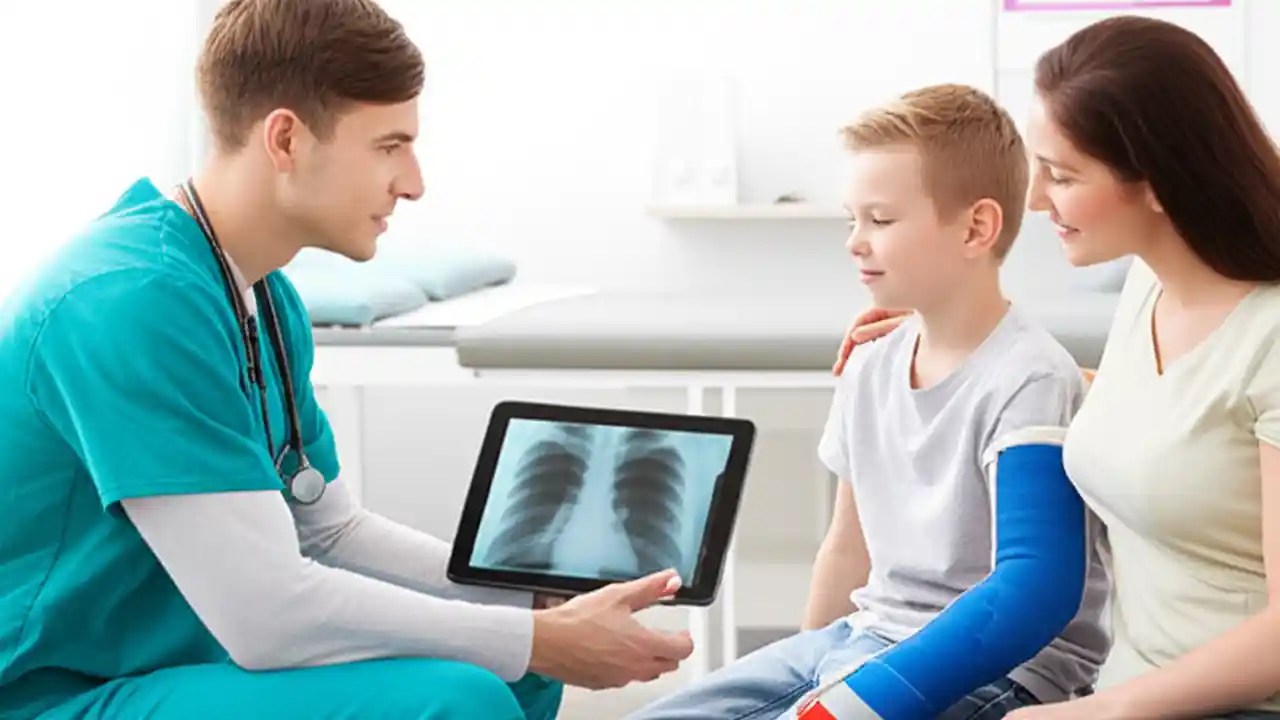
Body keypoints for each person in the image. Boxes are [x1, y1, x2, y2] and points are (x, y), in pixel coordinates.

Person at [0, 1, 692, 718]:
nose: (414, 182)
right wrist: (532, 636)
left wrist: (526, 602)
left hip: (166, 656)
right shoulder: (129, 303)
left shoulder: (264, 301)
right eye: (389, 146)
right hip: (51, 691)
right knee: (463, 694)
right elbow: (269, 616)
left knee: (518, 663)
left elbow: (327, 531)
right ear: (287, 139)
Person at [834, 16, 1280, 720]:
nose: (1036, 200)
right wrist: (962, 346)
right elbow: (1177, 418)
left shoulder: (1272, 339)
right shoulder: (1151, 287)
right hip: (1121, 686)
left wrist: (1105, 712)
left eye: (1062, 176)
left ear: (1161, 182)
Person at [631, 84, 1110, 720]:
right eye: (851, 220)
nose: (855, 241)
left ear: (977, 227)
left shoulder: (1031, 378)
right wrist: (808, 680)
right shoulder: (871, 363)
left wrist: (844, 704)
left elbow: (1030, 593)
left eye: (880, 220)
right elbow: (846, 547)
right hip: (864, 636)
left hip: (1004, 670)